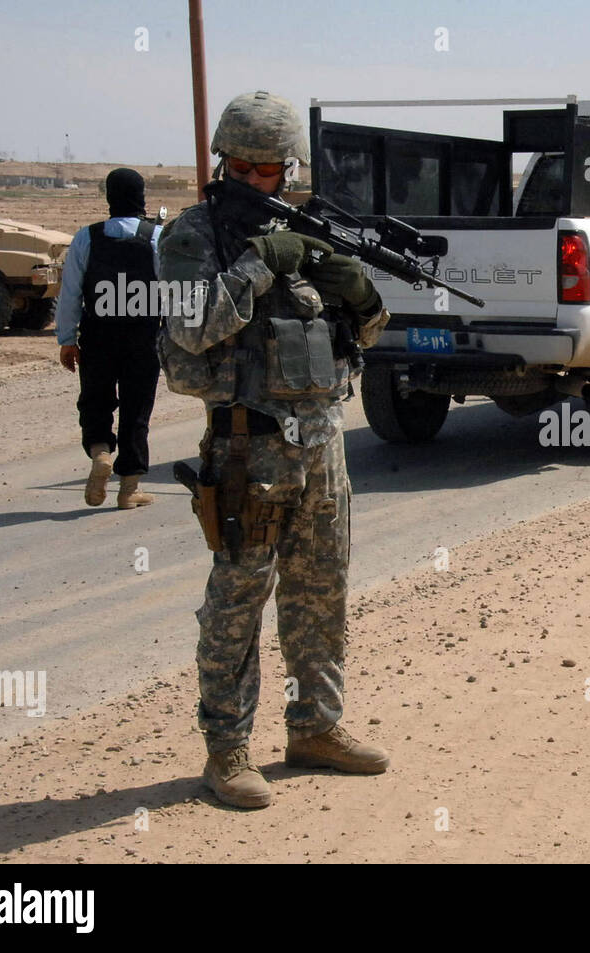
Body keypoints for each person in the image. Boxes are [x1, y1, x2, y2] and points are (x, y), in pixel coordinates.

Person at [157, 90, 390, 809]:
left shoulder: (309, 229)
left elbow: (366, 336)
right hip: (245, 450)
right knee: (236, 602)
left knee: (321, 596)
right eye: (246, 167)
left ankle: (315, 727)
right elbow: (191, 335)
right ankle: (226, 750)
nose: (259, 181)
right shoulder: (193, 237)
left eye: (271, 170)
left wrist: (357, 290)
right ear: (224, 162)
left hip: (323, 449)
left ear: (288, 169)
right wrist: (260, 264)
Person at [55, 168, 162, 508]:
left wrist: (67, 338)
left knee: (96, 400)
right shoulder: (157, 237)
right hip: (143, 336)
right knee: (136, 408)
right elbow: (173, 291)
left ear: (110, 197)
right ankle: (129, 489)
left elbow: (70, 292)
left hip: (98, 334)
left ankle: (101, 453)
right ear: (141, 196)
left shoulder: (87, 237)